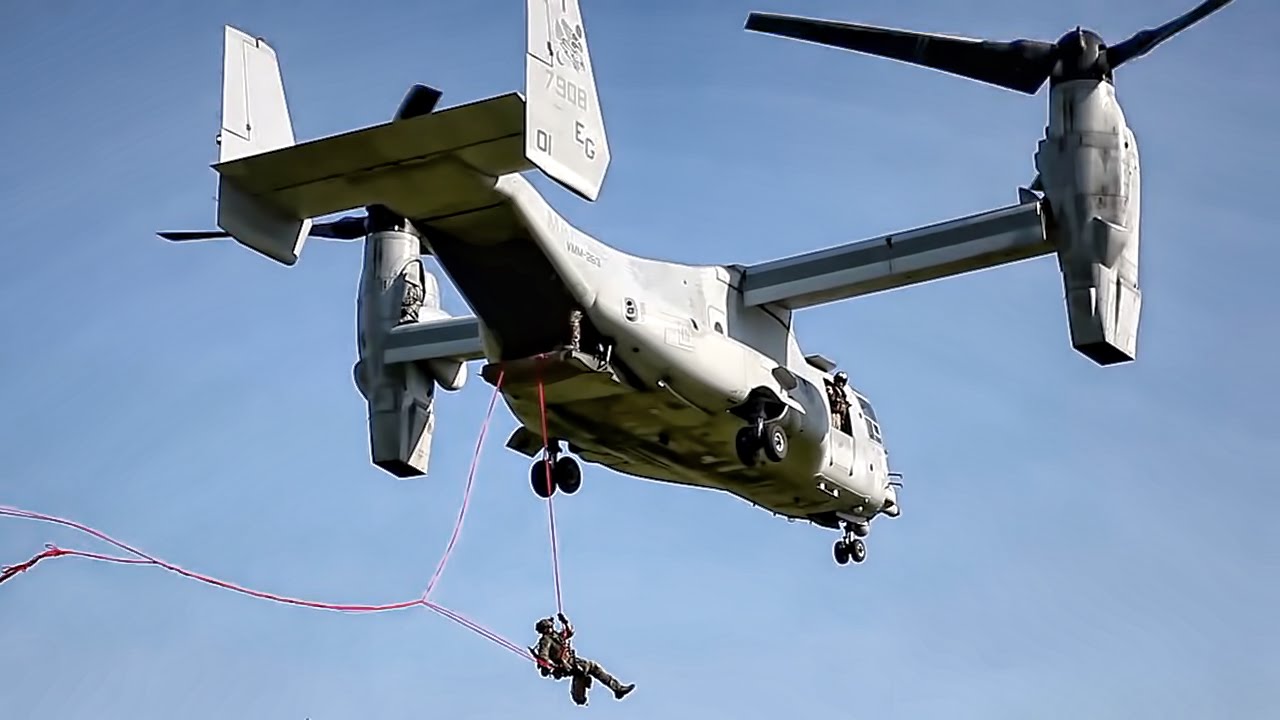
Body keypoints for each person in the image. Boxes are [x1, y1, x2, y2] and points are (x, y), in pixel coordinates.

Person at [532, 613, 635, 706]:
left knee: (590, 668)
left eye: (551, 626)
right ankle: (580, 696)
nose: (551, 628)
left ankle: (617, 689)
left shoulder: (556, 636)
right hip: (566, 665)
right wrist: (547, 666)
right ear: (544, 630)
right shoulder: (546, 640)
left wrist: (565, 622)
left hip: (573, 661)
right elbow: (543, 655)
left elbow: (569, 632)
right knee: (584, 670)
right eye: (548, 627)